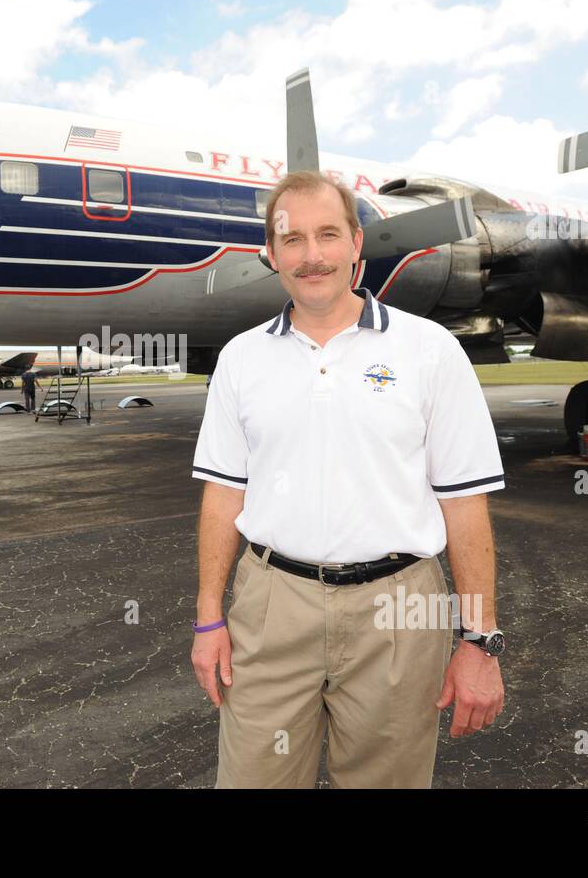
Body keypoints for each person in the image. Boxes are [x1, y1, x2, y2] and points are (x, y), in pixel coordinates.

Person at [189, 170, 507, 789]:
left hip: (400, 605)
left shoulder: (431, 349)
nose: (312, 255)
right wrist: (208, 620)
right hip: (271, 604)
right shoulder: (240, 359)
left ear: (357, 245)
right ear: (271, 254)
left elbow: (464, 503)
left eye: (328, 235)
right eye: (293, 239)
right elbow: (223, 492)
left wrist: (480, 641)